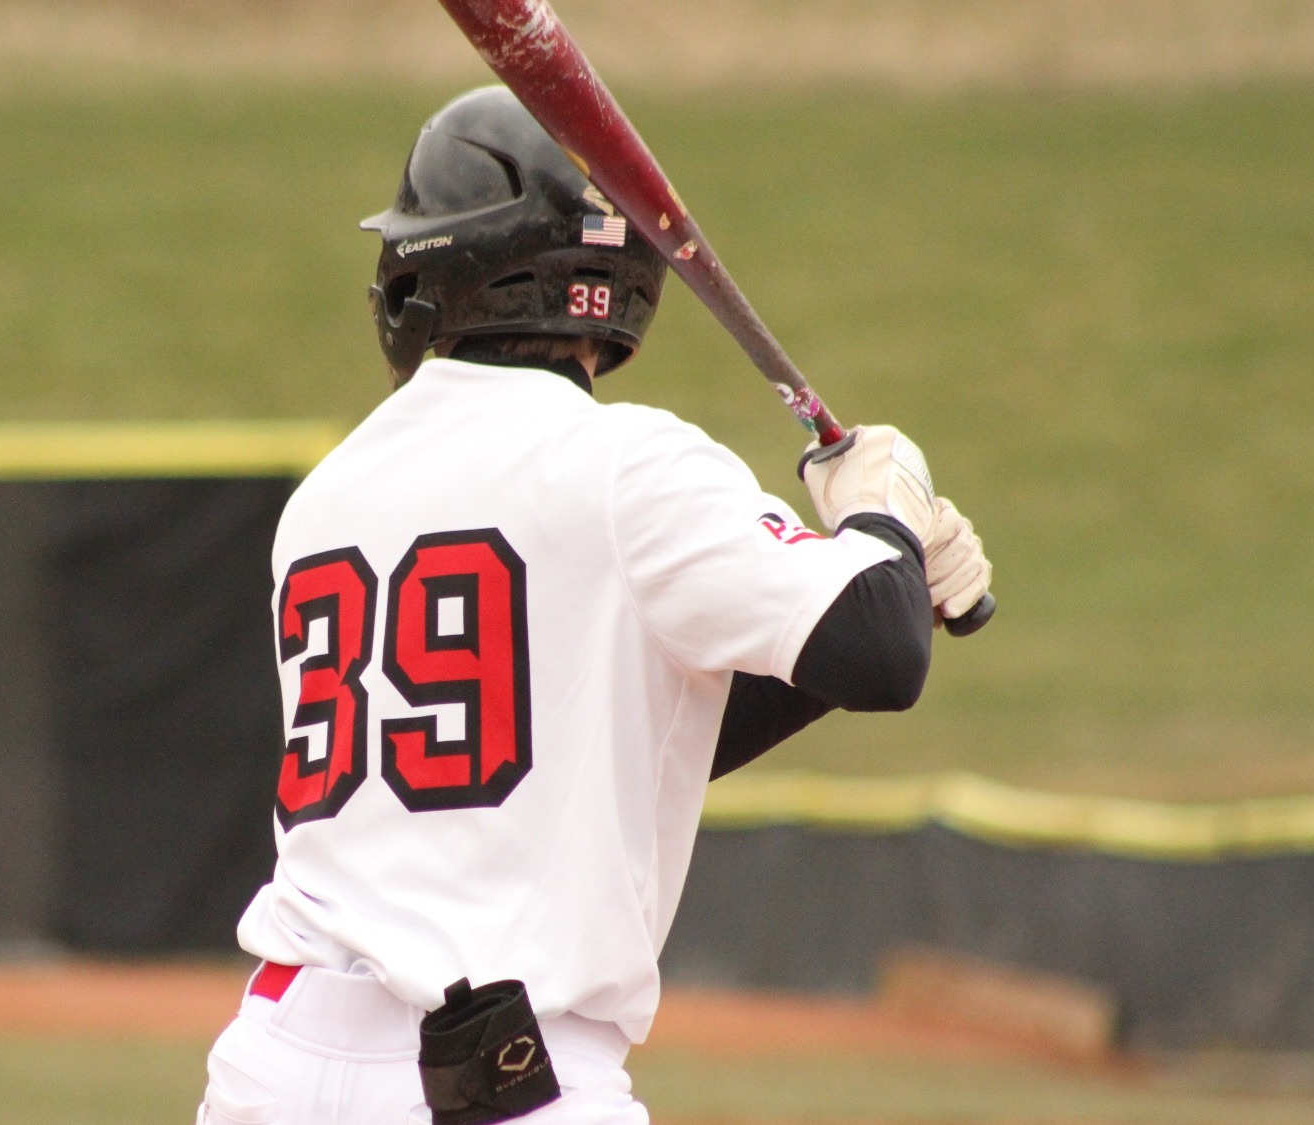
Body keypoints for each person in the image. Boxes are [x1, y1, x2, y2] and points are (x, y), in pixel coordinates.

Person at [196, 86, 992, 1125]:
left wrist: (893, 587)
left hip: (274, 1066)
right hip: (500, 1083)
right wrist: (880, 516)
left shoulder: (325, 497)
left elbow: (607, 753)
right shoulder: (626, 464)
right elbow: (878, 658)